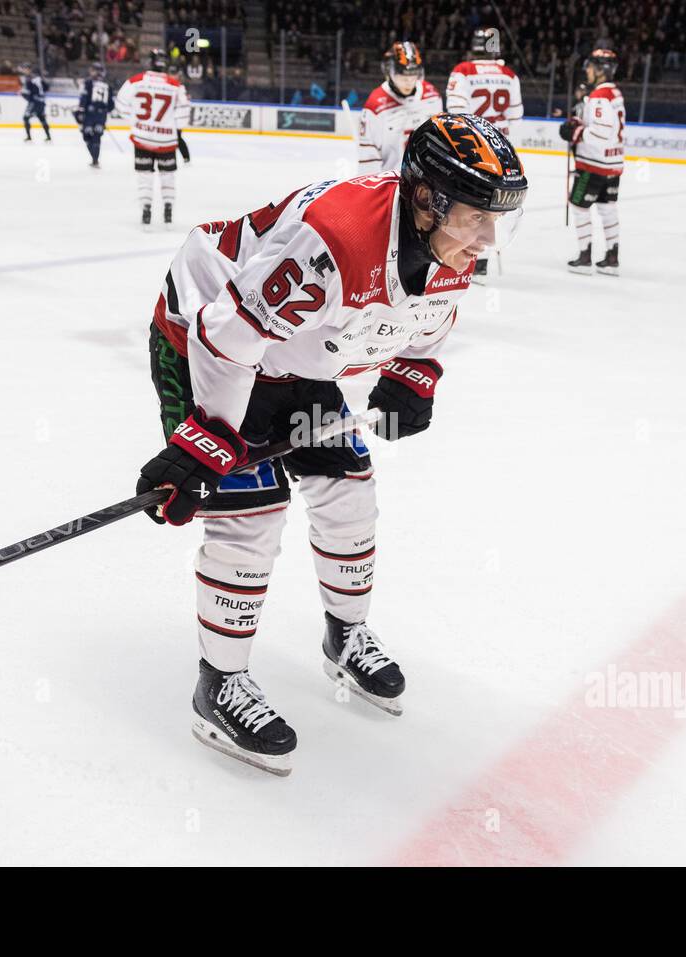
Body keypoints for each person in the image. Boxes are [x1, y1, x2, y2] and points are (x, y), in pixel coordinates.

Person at [135, 114, 527, 775]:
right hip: (206, 338)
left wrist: (415, 372)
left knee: (349, 491)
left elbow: (429, 316)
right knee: (249, 515)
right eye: (476, 218)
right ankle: (217, 685)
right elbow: (226, 335)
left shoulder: (446, 244)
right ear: (426, 199)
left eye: (498, 220)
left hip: (296, 355)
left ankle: (345, 635)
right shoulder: (336, 240)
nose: (487, 240)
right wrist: (209, 440)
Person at [445, 27, 523, 275]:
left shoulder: (463, 71)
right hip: (501, 150)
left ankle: (465, 254)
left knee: (469, 204)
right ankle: (482, 261)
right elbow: (516, 117)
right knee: (494, 206)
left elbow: (457, 114)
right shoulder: (509, 75)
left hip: (473, 149)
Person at [562, 49, 625, 276]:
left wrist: (576, 133)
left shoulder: (600, 96)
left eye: (590, 67)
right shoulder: (615, 93)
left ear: (600, 69)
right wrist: (580, 123)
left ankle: (584, 256)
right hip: (613, 163)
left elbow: (600, 132)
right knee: (608, 209)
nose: (587, 71)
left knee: (579, 208)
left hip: (593, 164)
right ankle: (612, 258)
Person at [115, 48, 191, 225]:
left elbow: (120, 104)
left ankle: (146, 210)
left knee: (144, 176)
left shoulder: (135, 81)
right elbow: (184, 112)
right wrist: (173, 128)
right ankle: (168, 210)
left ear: (149, 62)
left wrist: (136, 123)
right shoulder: (175, 86)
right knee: (167, 175)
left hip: (142, 138)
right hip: (166, 140)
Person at [357, 41, 443, 174]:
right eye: (402, 75)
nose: (409, 81)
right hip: (393, 181)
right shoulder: (375, 105)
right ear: (389, 72)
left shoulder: (432, 95)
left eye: (413, 74)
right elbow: (368, 157)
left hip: (427, 179)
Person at [75, 62, 113, 168]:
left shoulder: (88, 82)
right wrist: (104, 111)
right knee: (97, 136)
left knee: (86, 135)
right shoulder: (108, 85)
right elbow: (111, 104)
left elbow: (84, 97)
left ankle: (94, 159)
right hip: (101, 116)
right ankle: (95, 160)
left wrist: (80, 111)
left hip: (89, 114)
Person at [18, 62, 51, 142]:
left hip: (34, 102)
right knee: (41, 117)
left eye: (25, 69)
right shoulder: (38, 77)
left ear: (28, 69)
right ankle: (48, 136)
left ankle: (29, 137)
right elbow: (46, 87)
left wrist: (22, 93)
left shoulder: (29, 79)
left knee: (26, 117)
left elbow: (29, 92)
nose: (23, 70)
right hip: (41, 102)